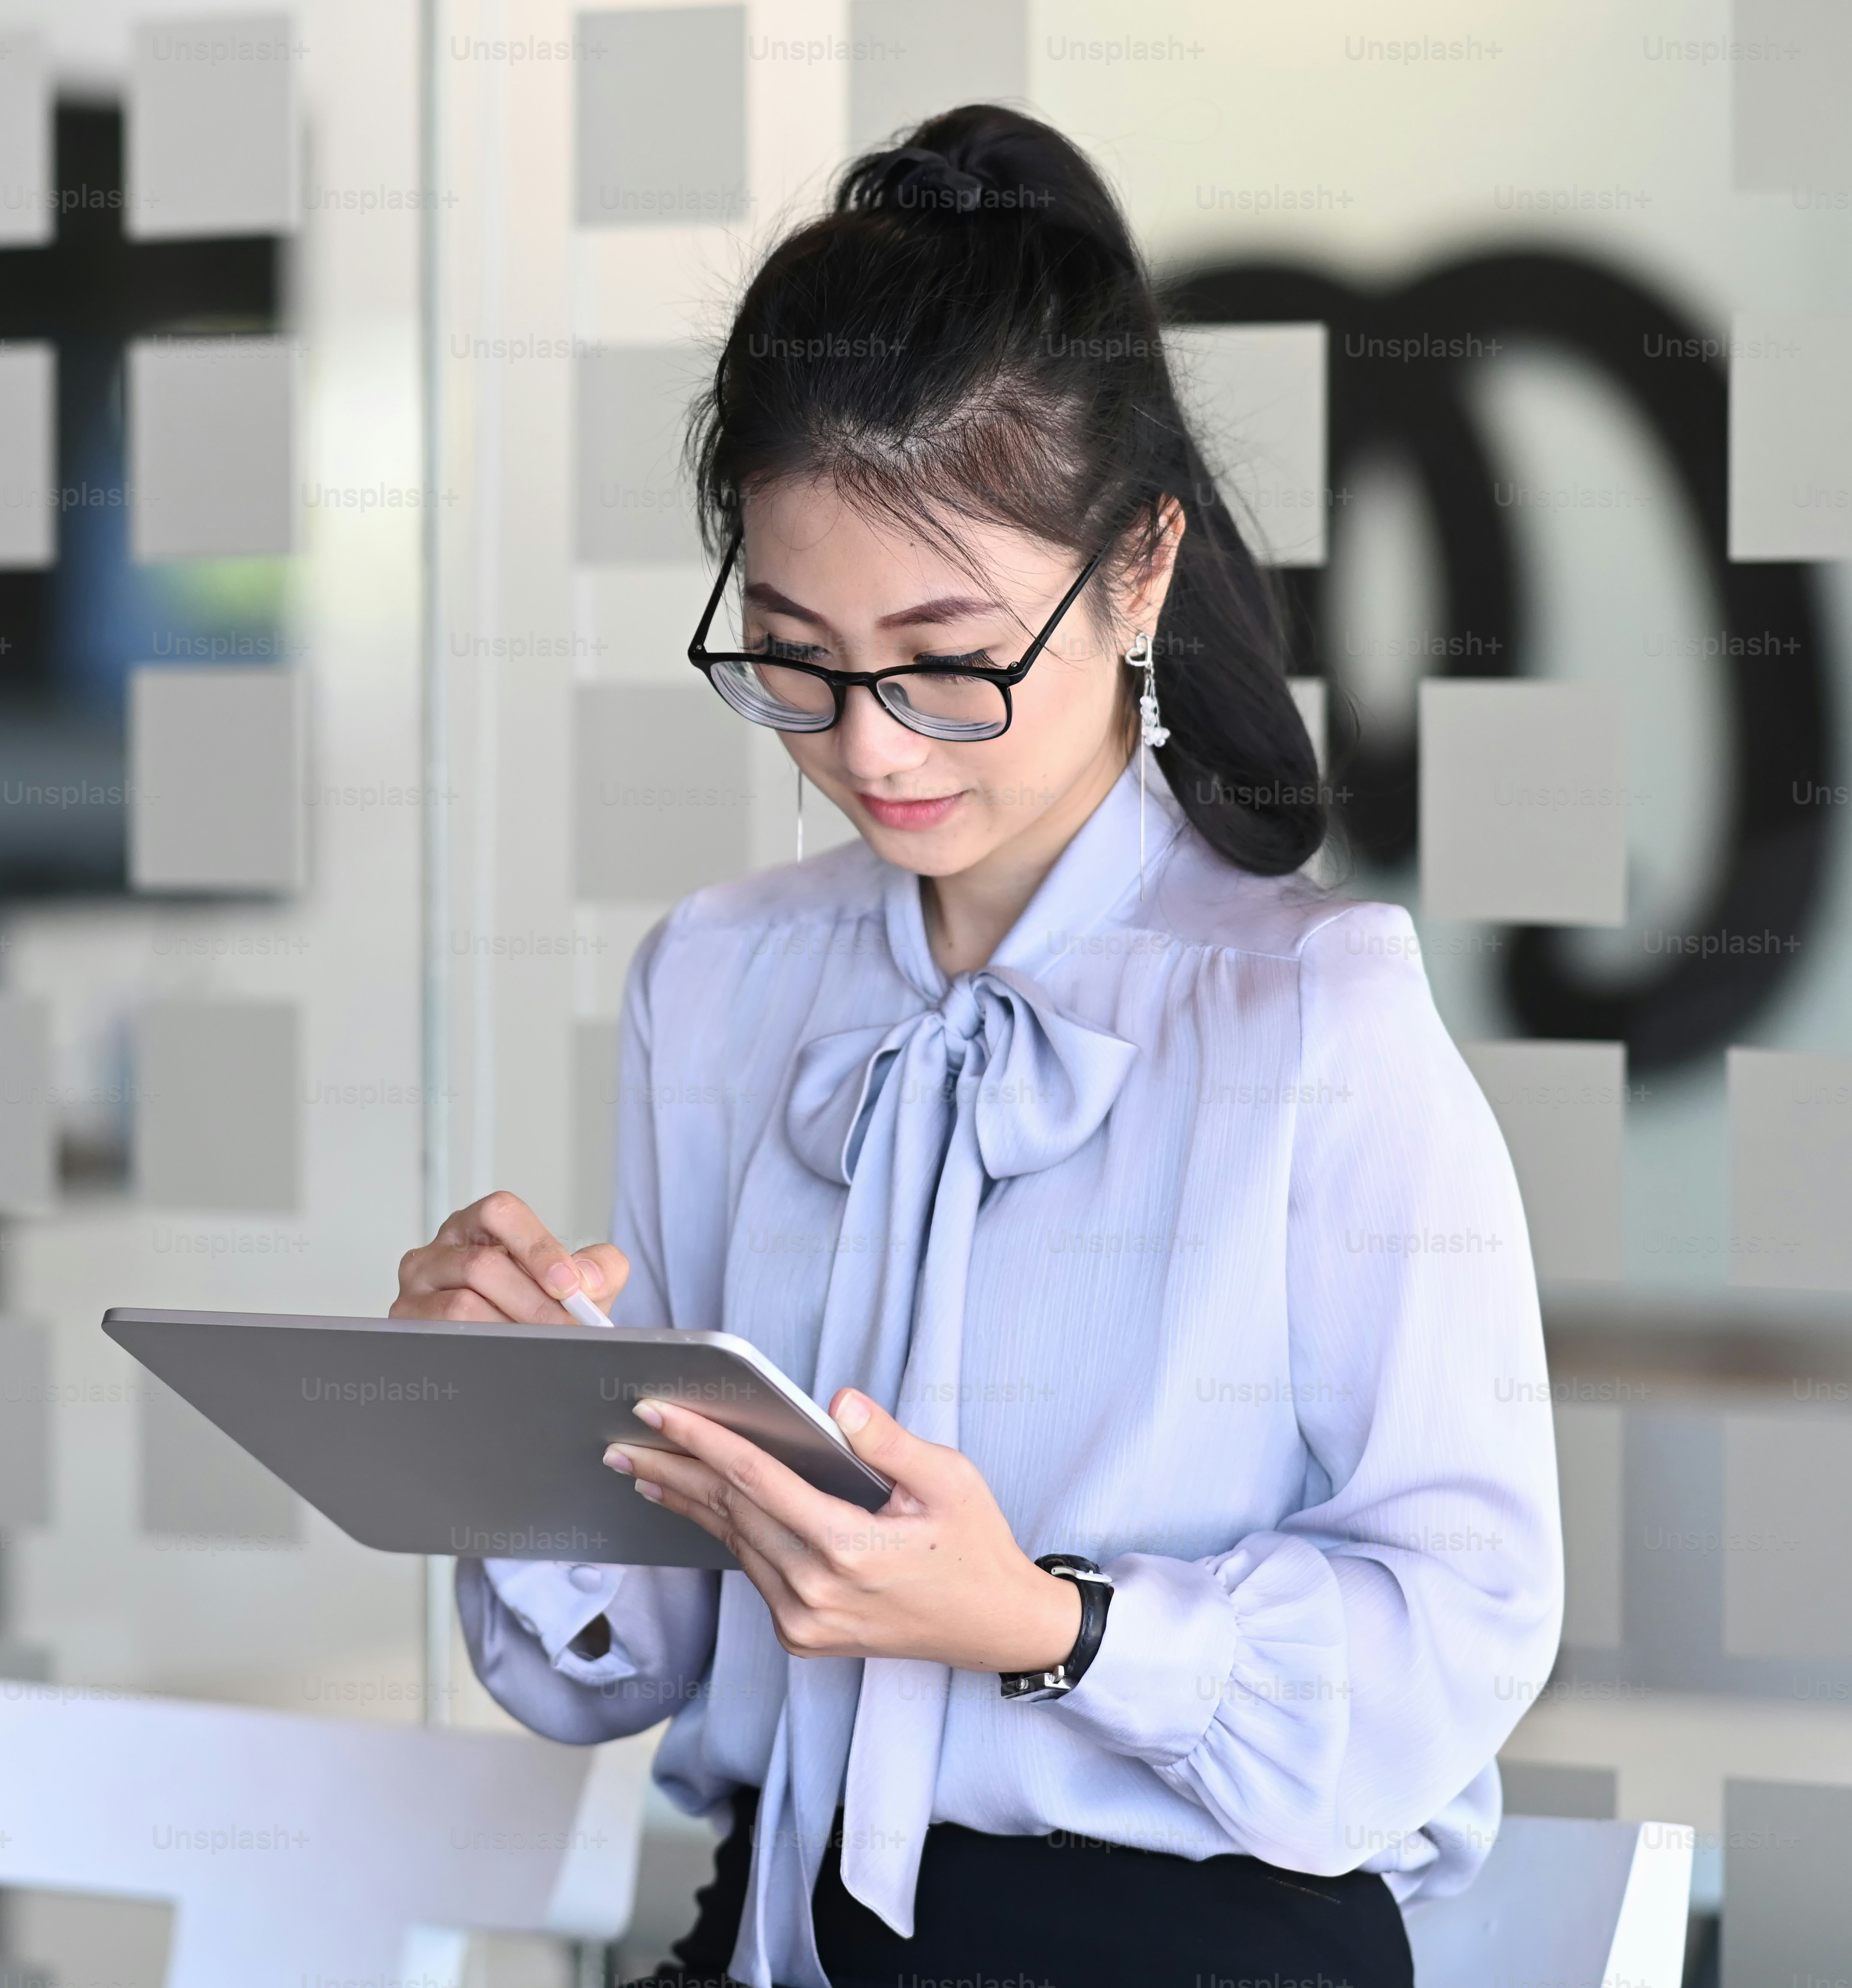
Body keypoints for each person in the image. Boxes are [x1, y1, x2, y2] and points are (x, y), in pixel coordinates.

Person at [390, 105, 1560, 1988]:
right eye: (794, 654)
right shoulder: (720, 980)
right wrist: (509, 1425)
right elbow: (643, 1655)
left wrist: (1042, 1620)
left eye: (950, 659)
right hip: (771, 1934)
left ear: (1140, 570)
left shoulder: (1313, 1011)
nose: (872, 747)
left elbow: (1466, 1621)